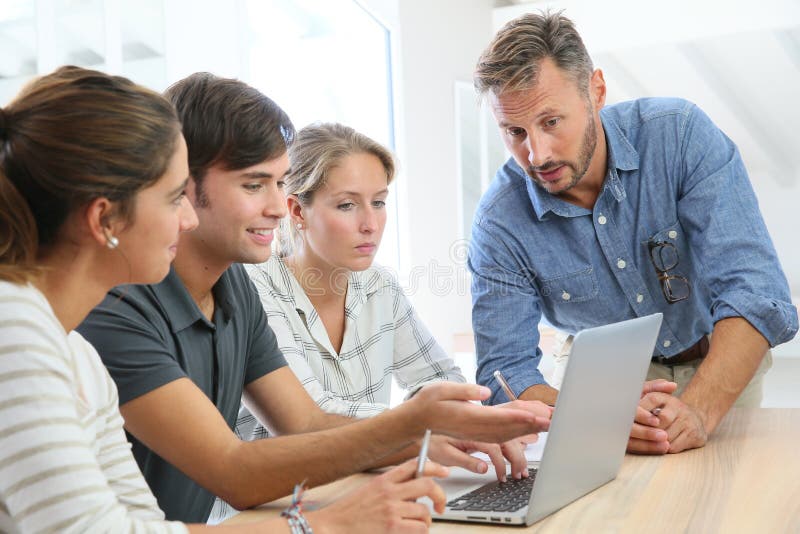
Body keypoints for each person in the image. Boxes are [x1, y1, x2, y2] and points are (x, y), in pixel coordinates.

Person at [77, 72, 552, 524]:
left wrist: (434, 430)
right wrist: (413, 426)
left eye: (279, 183)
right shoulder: (119, 306)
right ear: (183, 184)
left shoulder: (234, 287)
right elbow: (235, 474)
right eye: (253, 184)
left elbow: (303, 423)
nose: (274, 207)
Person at [0, 66, 451, 534]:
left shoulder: (74, 353)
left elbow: (140, 523)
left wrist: (421, 436)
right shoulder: (19, 329)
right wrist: (321, 525)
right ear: (105, 220)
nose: (187, 219)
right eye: (174, 198)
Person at [468, 11, 798, 455]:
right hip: (595, 386)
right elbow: (504, 373)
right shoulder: (498, 222)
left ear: (596, 91)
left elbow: (755, 292)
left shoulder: (679, 135)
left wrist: (700, 408)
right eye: (515, 132)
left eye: (551, 122)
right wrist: (594, 420)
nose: (537, 153)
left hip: (721, 363)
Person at [239, 122, 465, 424]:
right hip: (288, 471)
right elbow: (314, 414)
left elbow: (445, 379)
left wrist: (445, 410)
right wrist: (420, 418)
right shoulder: (255, 289)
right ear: (296, 211)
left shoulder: (379, 286)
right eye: (347, 205)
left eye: (379, 202)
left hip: (374, 469)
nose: (370, 224)